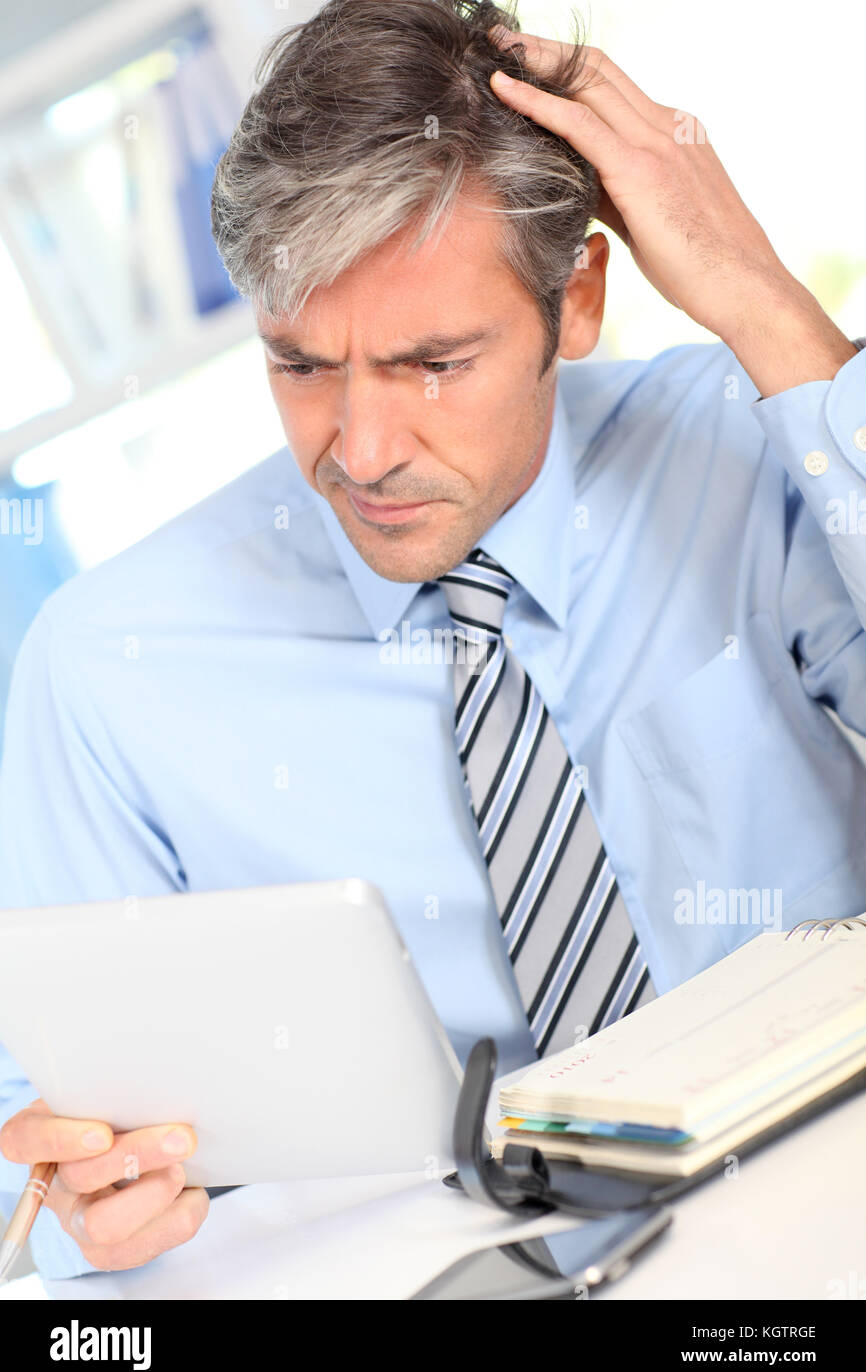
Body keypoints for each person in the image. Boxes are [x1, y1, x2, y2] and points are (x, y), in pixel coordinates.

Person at [1, 0, 864, 1282]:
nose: (359, 452)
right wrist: (87, 1198)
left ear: (574, 301)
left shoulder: (747, 445)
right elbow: (52, 1146)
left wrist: (765, 311)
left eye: (433, 363)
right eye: (300, 364)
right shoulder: (107, 661)